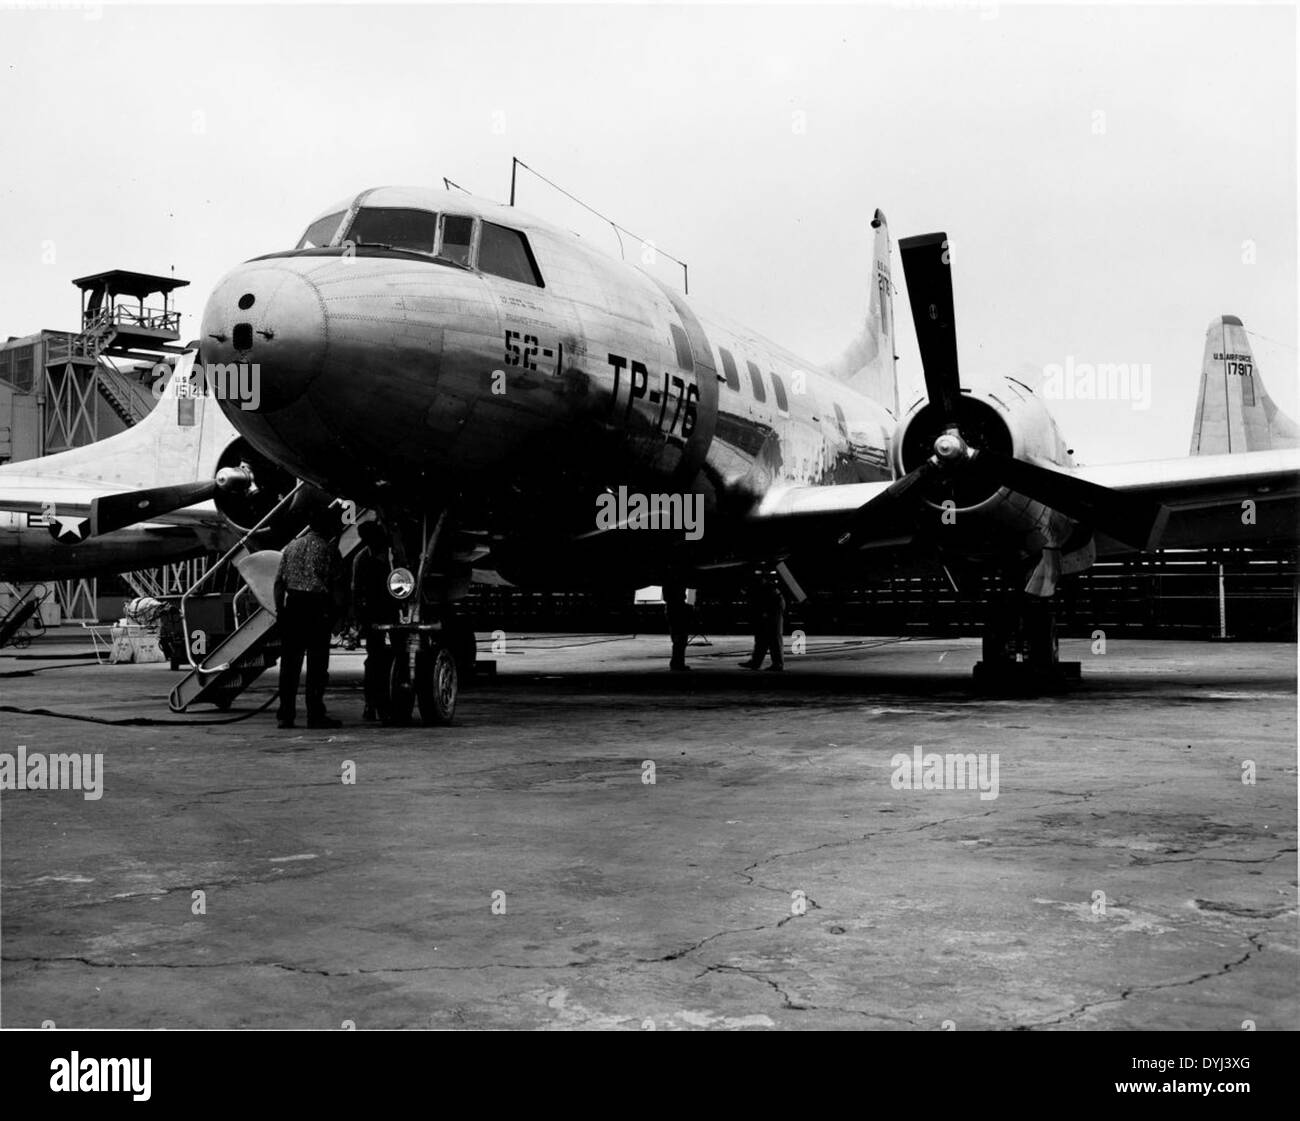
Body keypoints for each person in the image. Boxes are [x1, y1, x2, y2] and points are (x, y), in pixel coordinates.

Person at [274, 508, 343, 728]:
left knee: (289, 667)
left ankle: (286, 714)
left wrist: (280, 611)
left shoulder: (291, 546)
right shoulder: (328, 550)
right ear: (327, 527)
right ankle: (315, 714)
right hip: (316, 608)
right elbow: (335, 585)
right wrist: (337, 615)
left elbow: (278, 583)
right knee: (317, 666)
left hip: (292, 606)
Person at [352, 521, 397, 719]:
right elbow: (356, 590)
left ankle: (384, 701)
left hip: (390, 610)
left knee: (386, 657)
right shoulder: (363, 559)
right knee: (375, 659)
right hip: (375, 612)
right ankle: (374, 703)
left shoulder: (391, 556)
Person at [740, 569, 786, 672]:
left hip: (772, 603)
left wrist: (764, 613)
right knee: (762, 635)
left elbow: (762, 599)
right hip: (770, 601)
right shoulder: (755, 585)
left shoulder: (757, 586)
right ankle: (756, 662)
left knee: (773, 635)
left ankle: (777, 664)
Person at [663, 581, 692, 672]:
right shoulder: (676, 583)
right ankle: (677, 664)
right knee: (680, 639)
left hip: (674, 607)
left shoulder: (668, 583)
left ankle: (677, 663)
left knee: (678, 639)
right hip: (677, 608)